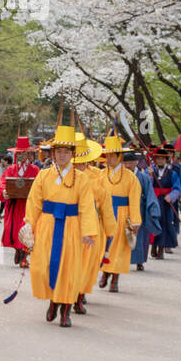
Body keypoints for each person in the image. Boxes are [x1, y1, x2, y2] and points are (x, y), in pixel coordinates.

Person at [20, 123, 100, 328]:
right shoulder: (43, 175)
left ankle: (65, 310)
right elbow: (34, 201)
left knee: (68, 268)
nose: (62, 155)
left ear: (72, 154)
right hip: (47, 224)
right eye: (59, 151)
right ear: (53, 154)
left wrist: (89, 231)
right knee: (41, 266)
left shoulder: (81, 178)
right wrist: (30, 224)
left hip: (71, 226)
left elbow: (87, 206)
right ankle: (53, 300)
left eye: (66, 151)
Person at [97, 134, 141, 293]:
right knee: (103, 245)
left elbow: (135, 199)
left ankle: (115, 278)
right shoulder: (101, 174)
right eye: (106, 155)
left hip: (122, 214)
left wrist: (135, 221)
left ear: (119, 156)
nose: (108, 159)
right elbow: (95, 195)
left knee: (118, 247)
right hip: (105, 214)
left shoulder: (130, 177)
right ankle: (105, 272)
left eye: (111, 155)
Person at [73, 132, 109, 315]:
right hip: (68, 222)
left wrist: (110, 228)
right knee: (68, 260)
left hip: (91, 223)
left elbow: (105, 201)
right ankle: (65, 295)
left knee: (88, 263)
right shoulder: (59, 173)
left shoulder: (97, 176)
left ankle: (79, 296)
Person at [0, 135, 39, 265]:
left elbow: (39, 186)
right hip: (14, 204)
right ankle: (18, 249)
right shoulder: (11, 169)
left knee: (27, 229)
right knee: (14, 229)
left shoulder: (35, 170)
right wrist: (4, 192)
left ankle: (24, 256)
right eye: (21, 153)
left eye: (26, 153)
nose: (24, 156)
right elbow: (3, 183)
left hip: (28, 205)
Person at [127, 148, 160, 271]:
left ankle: (139, 261)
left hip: (139, 209)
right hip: (123, 209)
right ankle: (124, 260)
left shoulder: (143, 177)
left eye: (130, 162)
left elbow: (150, 194)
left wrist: (152, 210)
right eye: (125, 163)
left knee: (140, 236)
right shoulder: (121, 176)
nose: (127, 165)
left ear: (136, 162)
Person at [150, 145, 180, 258]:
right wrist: (149, 175)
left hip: (165, 202)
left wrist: (171, 196)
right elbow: (147, 185)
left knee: (164, 225)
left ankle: (161, 249)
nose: (160, 160)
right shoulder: (151, 171)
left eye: (162, 158)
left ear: (166, 160)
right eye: (158, 158)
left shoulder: (173, 173)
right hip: (153, 201)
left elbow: (177, 188)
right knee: (153, 223)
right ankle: (153, 246)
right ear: (155, 159)